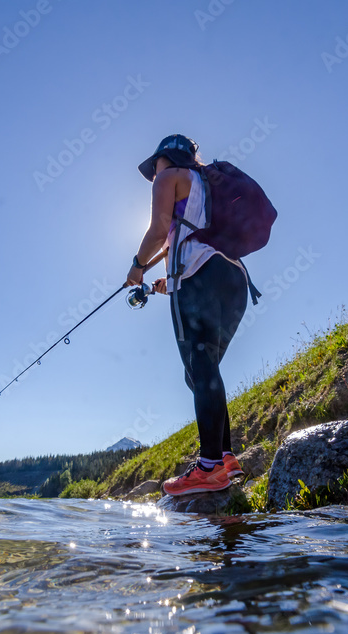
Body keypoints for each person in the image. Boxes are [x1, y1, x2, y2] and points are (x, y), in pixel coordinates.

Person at [125, 134, 247, 496]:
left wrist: (137, 268)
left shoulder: (170, 177)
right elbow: (189, 247)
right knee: (203, 369)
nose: (154, 176)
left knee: (199, 366)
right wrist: (165, 282)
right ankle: (225, 459)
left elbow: (159, 230)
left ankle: (209, 466)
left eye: (155, 167)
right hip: (233, 279)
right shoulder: (206, 184)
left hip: (200, 277)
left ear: (166, 159)